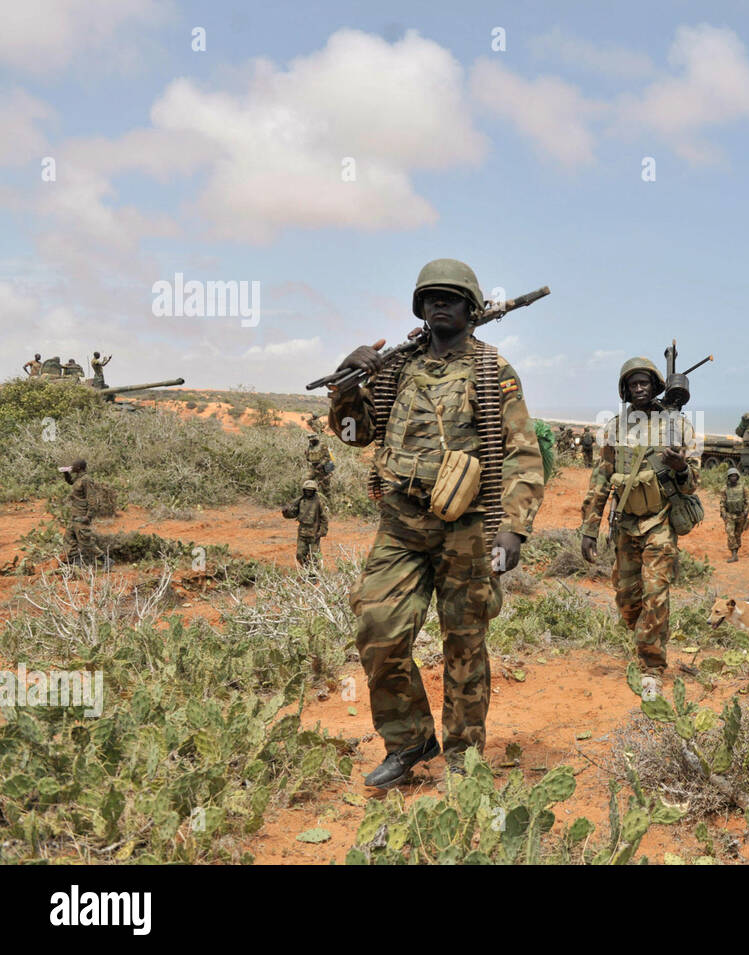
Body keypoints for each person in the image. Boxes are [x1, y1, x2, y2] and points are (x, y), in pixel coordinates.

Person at [328, 258, 545, 789]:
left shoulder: (494, 370)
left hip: (468, 529)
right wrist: (346, 382)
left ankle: (462, 758)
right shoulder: (396, 368)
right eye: (430, 297)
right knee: (378, 629)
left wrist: (513, 527)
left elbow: (521, 454)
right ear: (419, 307)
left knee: (464, 644)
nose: (439, 304)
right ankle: (409, 741)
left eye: (451, 296)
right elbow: (355, 434)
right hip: (401, 525)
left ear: (472, 308)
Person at [580, 357, 699, 685]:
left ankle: (652, 667)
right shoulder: (614, 428)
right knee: (628, 600)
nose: (639, 388)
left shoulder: (677, 427)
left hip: (659, 522)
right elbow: (600, 479)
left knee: (655, 592)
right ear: (625, 390)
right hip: (625, 524)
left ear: (656, 385)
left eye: (644, 382)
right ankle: (649, 637)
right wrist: (589, 529)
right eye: (632, 383)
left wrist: (680, 468)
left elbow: (692, 484)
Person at [59, 459, 105, 565]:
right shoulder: (79, 478)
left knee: (86, 542)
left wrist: (88, 516)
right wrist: (66, 473)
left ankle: (106, 560)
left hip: (81, 515)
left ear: (79, 468)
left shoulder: (86, 480)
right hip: (75, 515)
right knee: (69, 538)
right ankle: (76, 562)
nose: (72, 467)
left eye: (74, 466)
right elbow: (71, 482)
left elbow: (92, 499)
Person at [282, 479, 329, 570]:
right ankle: (306, 570)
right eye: (307, 490)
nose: (308, 492)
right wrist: (286, 512)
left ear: (314, 491)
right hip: (302, 533)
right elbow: (293, 514)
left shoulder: (319, 502)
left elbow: (324, 518)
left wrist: (322, 531)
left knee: (314, 556)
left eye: (310, 490)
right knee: (299, 555)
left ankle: (314, 574)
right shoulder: (300, 501)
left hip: (314, 533)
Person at [720, 467, 749, 563]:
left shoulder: (743, 488)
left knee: (737, 535)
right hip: (730, 515)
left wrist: (746, 511)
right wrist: (723, 513)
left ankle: (735, 552)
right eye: (731, 476)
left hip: (740, 515)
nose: (733, 478)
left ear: (737, 477)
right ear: (728, 477)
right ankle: (733, 554)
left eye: (735, 476)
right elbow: (722, 503)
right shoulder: (725, 489)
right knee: (730, 534)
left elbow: (748, 501)